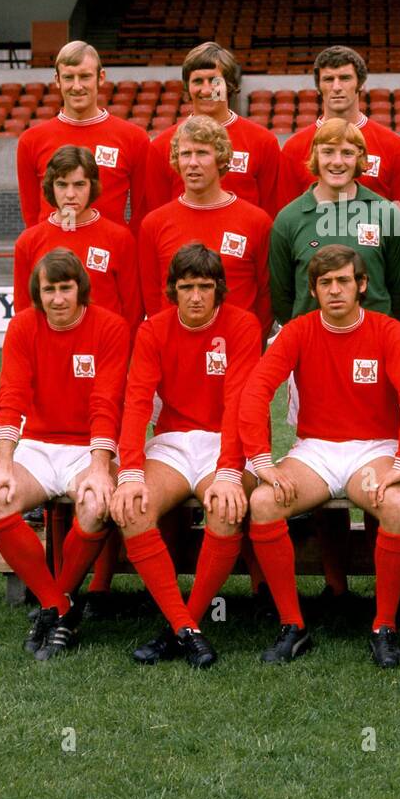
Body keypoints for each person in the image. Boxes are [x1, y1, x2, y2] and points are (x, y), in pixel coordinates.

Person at [238, 246, 400, 667]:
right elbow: (255, 392)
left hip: (375, 448)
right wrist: (261, 462)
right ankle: (292, 625)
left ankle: (384, 625)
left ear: (362, 285)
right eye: (325, 283)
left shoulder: (389, 331)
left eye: (344, 281)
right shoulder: (297, 331)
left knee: (396, 505)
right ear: (314, 289)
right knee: (264, 502)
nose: (335, 290)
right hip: (317, 450)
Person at [0, 249, 136, 660]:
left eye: (66, 288)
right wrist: (1, 465)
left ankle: (56, 604)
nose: (59, 298)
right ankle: (58, 606)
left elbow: (106, 402)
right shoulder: (24, 326)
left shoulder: (110, 327)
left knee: (96, 503)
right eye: (50, 289)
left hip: (89, 447)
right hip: (40, 446)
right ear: (37, 292)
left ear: (81, 289)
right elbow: (10, 396)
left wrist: (100, 469)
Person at [113, 244, 262, 670]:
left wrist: (230, 471)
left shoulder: (244, 325)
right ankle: (187, 628)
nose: (195, 297)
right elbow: (137, 403)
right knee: (134, 508)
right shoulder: (153, 330)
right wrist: (128, 472)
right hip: (175, 442)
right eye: (186, 287)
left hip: (229, 440)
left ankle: (181, 624)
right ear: (171, 290)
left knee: (225, 508)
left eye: (204, 287)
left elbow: (238, 403)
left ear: (219, 289)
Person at [137, 115, 272, 335]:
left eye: (202, 153)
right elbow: (153, 300)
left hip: (237, 350)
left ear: (221, 159)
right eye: (185, 154)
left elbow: (266, 298)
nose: (192, 163)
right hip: (177, 352)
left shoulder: (256, 222)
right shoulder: (154, 224)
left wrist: (251, 341)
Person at [270, 118, 400, 323]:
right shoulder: (288, 219)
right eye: (328, 152)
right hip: (311, 344)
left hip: (374, 341)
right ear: (315, 156)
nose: (337, 161)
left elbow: (399, 290)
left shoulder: (387, 213)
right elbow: (281, 297)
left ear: (360, 158)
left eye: (347, 153)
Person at [16, 40, 150, 235]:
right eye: (69, 77)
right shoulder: (31, 141)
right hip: (54, 258)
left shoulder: (133, 138)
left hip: (110, 258)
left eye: (85, 77)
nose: (77, 86)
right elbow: (31, 217)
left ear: (100, 77)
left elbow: (142, 213)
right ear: (57, 80)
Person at [13, 146, 142, 336]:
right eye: (62, 184)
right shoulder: (29, 241)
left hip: (105, 350)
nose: (71, 194)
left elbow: (132, 310)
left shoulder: (119, 238)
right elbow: (24, 310)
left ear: (93, 186)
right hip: (51, 350)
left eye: (79, 184)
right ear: (51, 187)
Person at [145, 41, 281, 217]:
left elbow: (271, 214)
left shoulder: (263, 141)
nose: (207, 90)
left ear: (229, 84)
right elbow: (155, 216)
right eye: (198, 81)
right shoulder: (162, 145)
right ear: (188, 86)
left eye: (215, 81)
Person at [277, 45, 400, 207]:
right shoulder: (294, 148)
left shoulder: (393, 145)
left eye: (345, 78)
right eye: (328, 79)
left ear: (361, 83)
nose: (336, 87)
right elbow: (286, 217)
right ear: (318, 87)